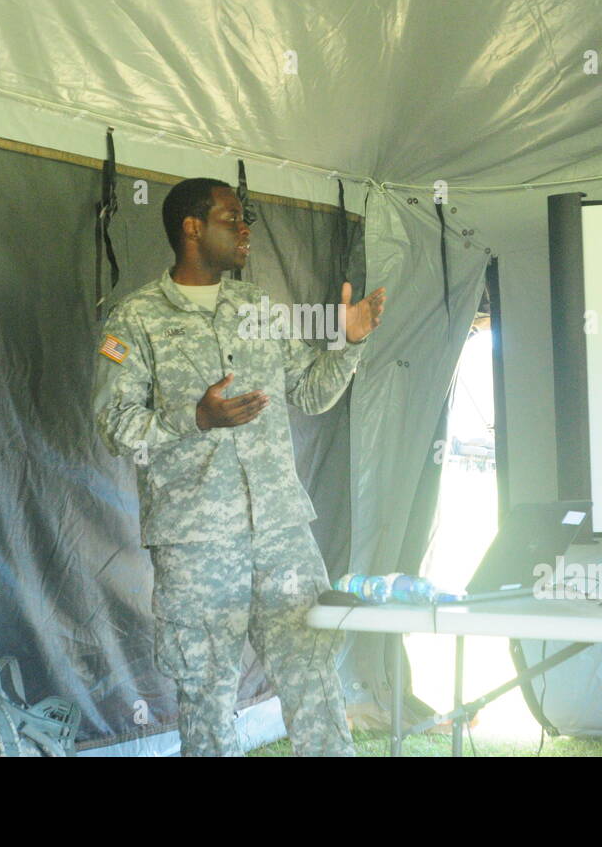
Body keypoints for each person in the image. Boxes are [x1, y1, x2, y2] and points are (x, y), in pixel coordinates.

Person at [93, 177, 384, 756]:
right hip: (197, 540)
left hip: (281, 531)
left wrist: (348, 344)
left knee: (314, 678)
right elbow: (115, 427)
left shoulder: (257, 309)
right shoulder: (135, 320)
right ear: (192, 228)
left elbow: (311, 392)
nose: (246, 228)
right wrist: (194, 419)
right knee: (206, 694)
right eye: (232, 218)